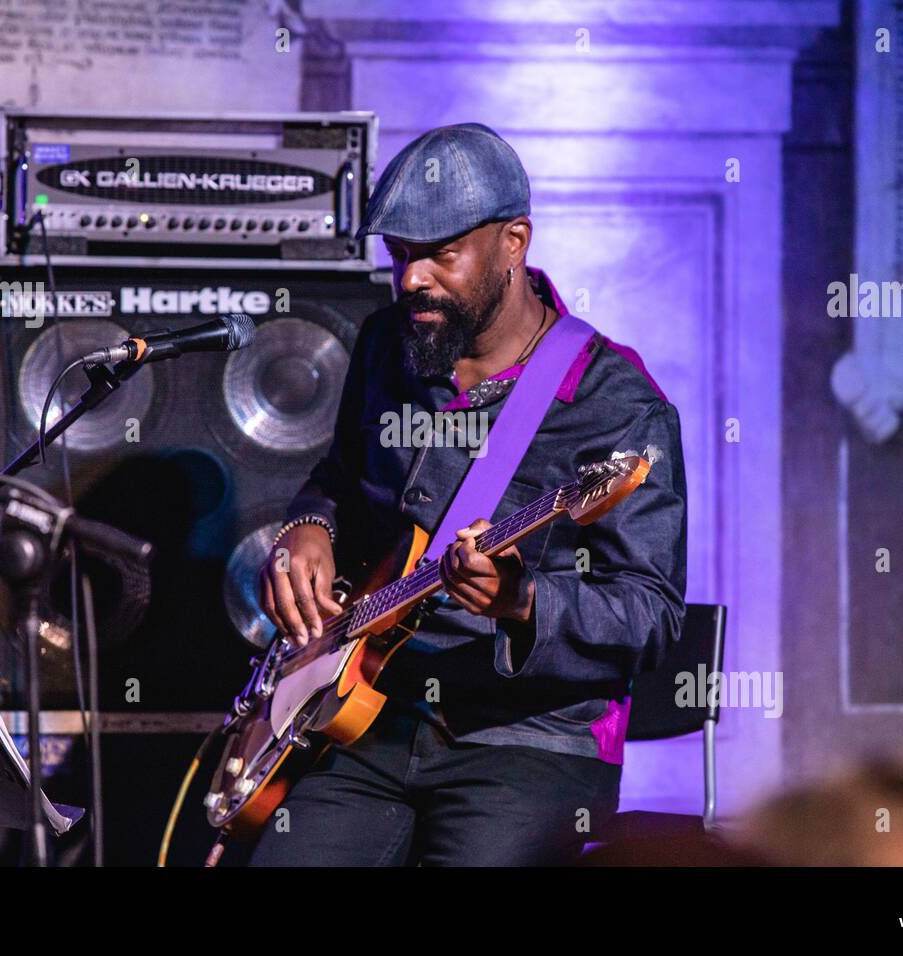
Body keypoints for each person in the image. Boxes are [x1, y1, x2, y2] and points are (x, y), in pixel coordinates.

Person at [251, 122, 687, 866]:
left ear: (514, 242)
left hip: (531, 740)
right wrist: (309, 524)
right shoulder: (388, 345)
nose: (412, 278)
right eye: (400, 256)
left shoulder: (618, 405)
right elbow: (340, 475)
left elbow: (653, 614)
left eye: (440, 254)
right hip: (371, 717)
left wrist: (525, 603)